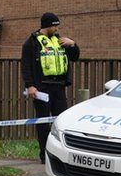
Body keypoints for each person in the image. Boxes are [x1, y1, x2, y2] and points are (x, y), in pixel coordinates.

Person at [22, 12, 80, 163]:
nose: (57, 28)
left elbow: (75, 57)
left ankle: (60, 155)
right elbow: (26, 66)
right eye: (55, 25)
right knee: (43, 123)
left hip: (59, 87)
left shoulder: (60, 41)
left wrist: (73, 44)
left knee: (61, 122)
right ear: (48, 25)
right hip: (41, 88)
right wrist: (30, 86)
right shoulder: (32, 43)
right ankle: (45, 155)